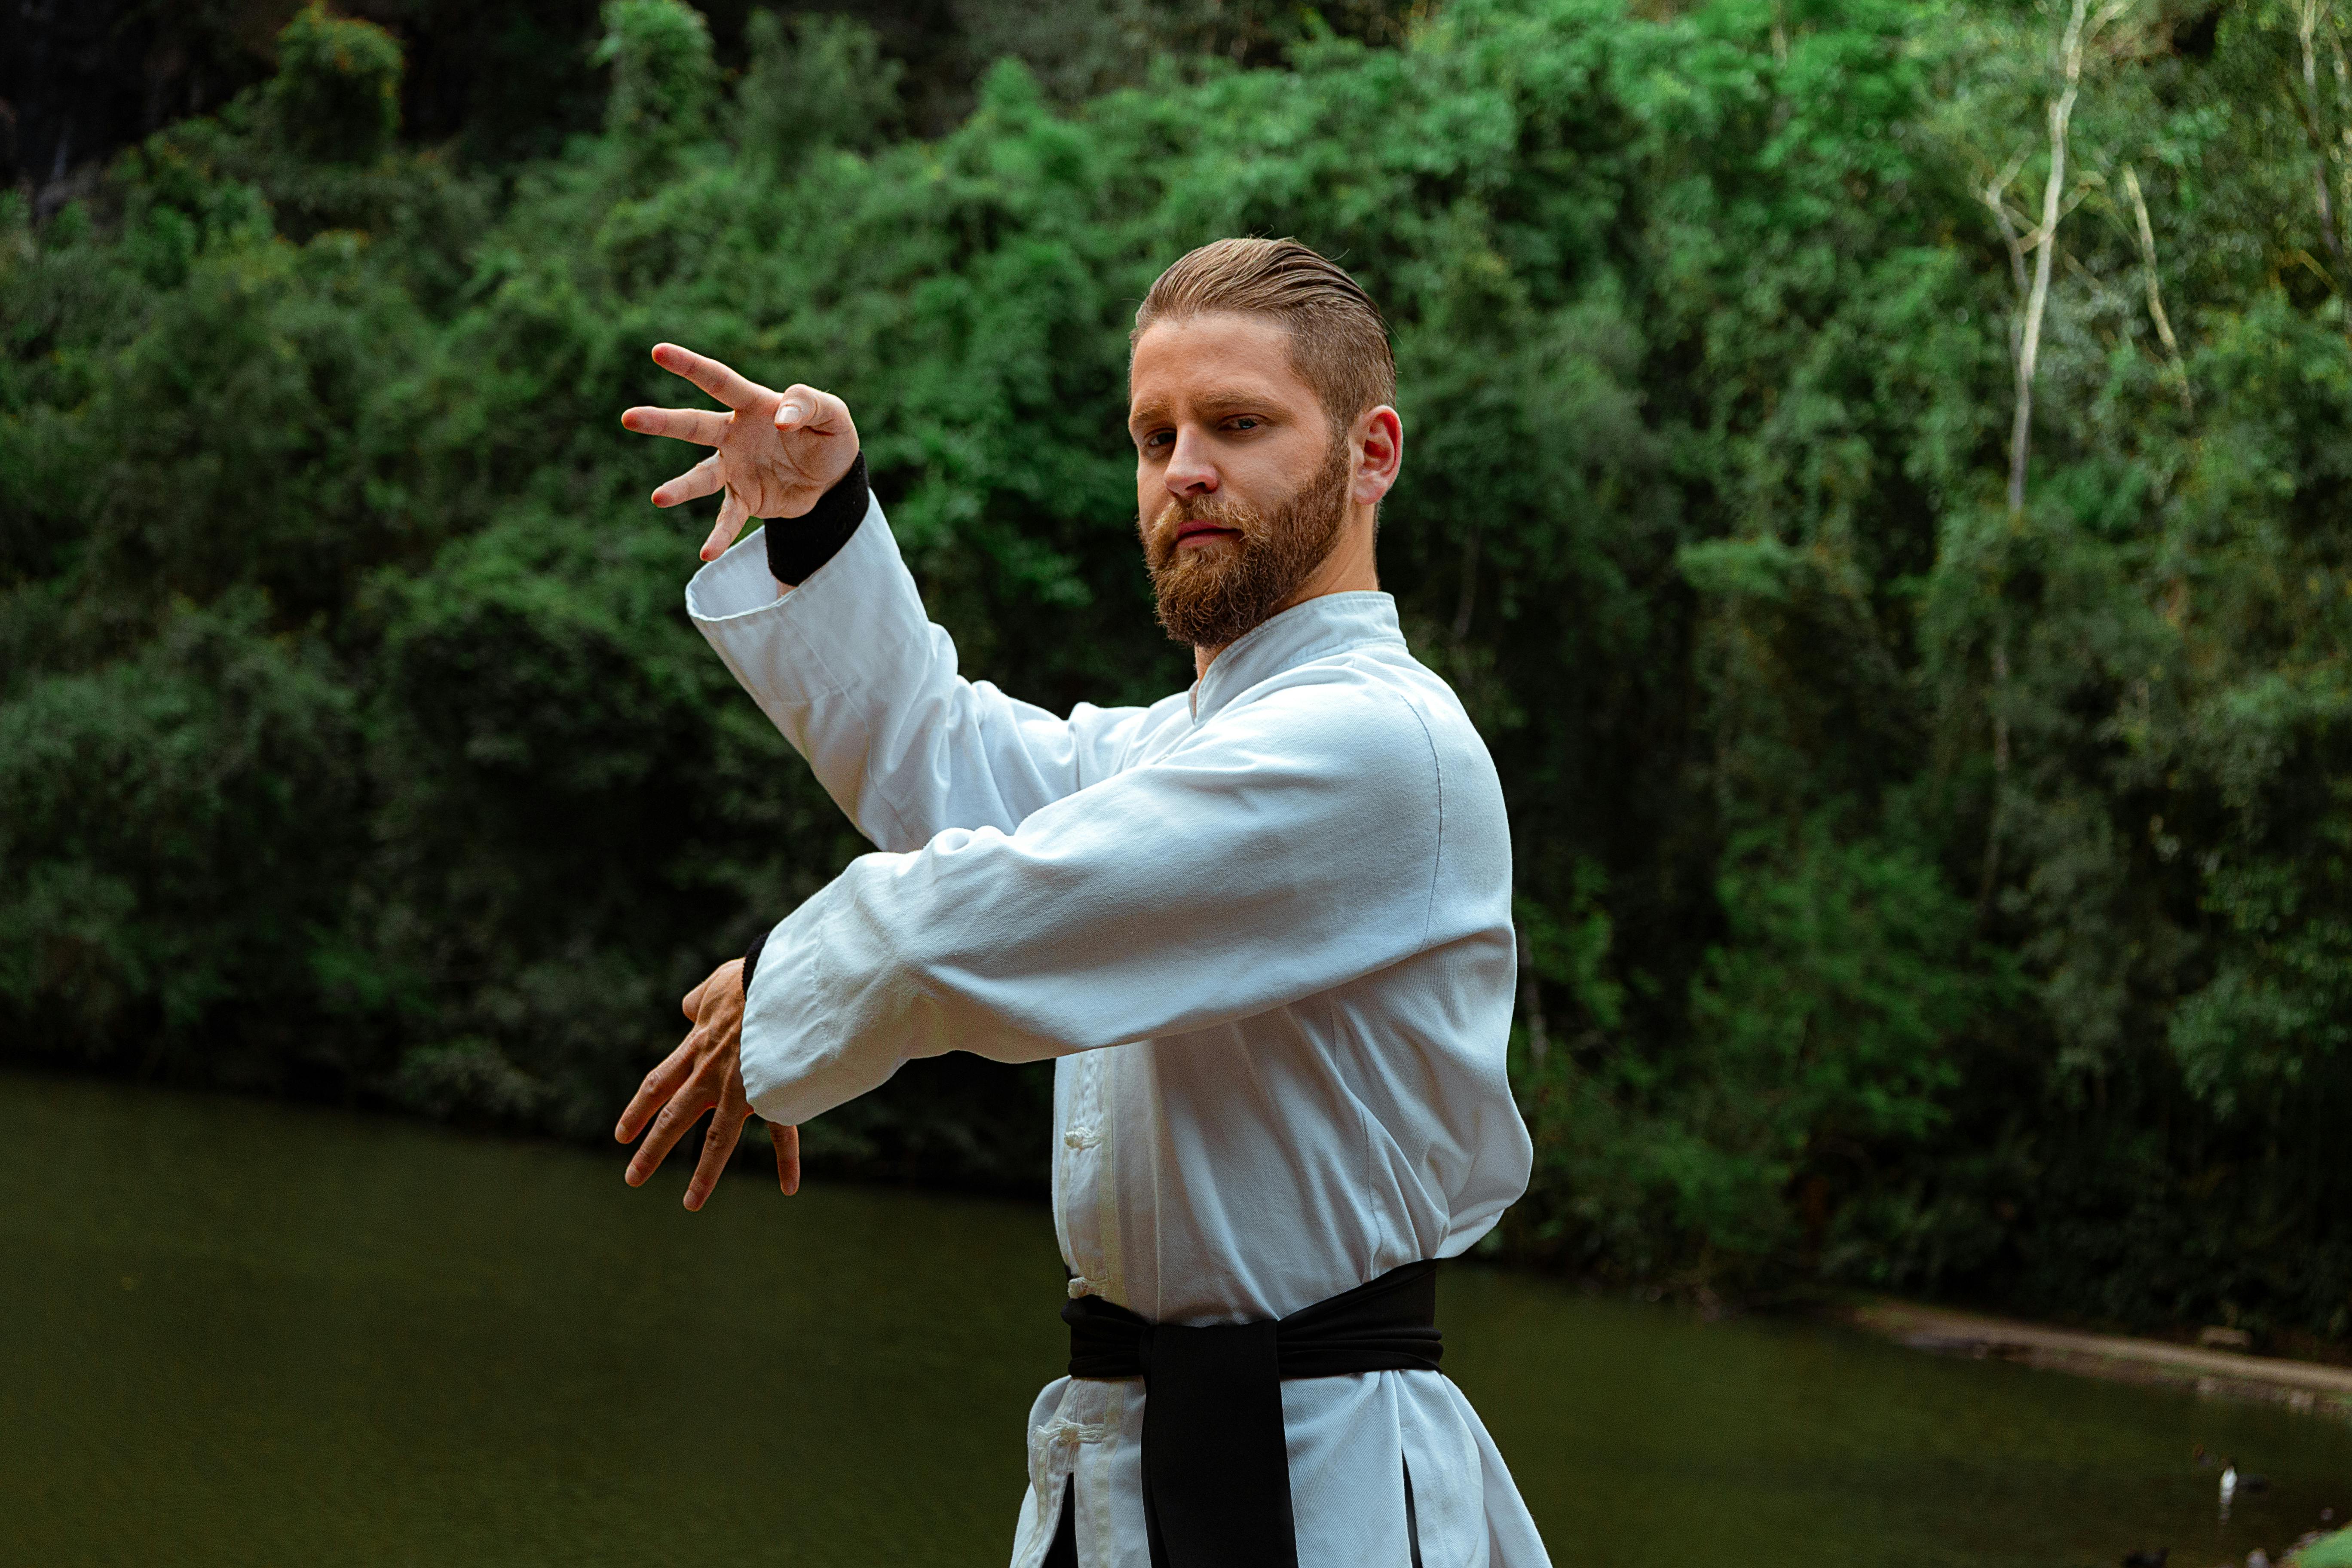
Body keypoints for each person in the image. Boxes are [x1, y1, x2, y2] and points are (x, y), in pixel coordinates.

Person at [612, 237, 1551, 1568]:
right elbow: (946, 760)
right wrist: (822, 518)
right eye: (1154, 434)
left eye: (1238, 424)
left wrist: (784, 989)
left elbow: (1004, 903)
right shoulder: (1185, 747)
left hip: (1309, 1481)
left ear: (1371, 452)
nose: (1187, 470)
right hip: (1117, 1462)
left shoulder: (1379, 745)